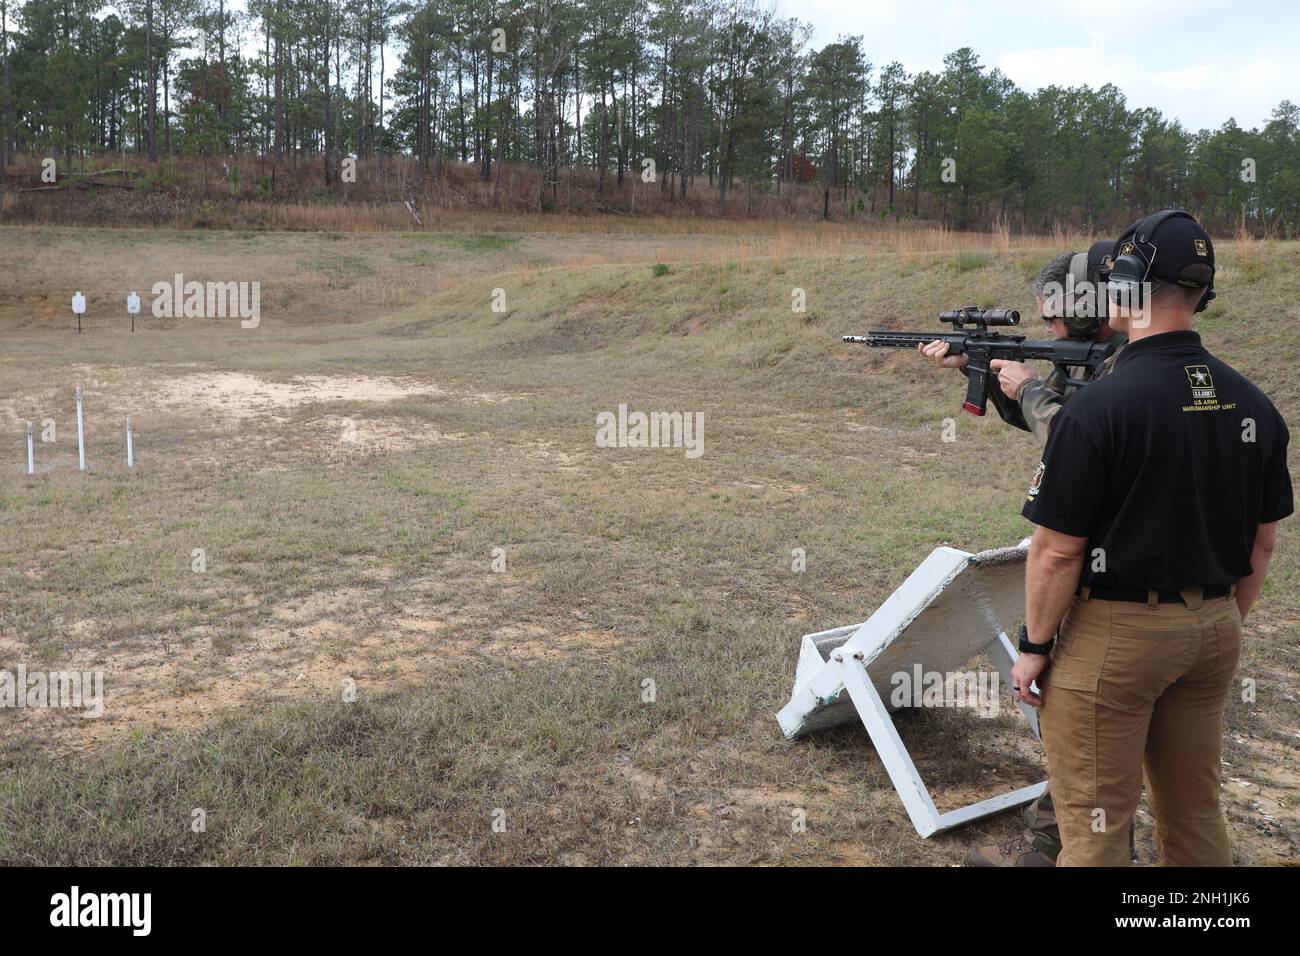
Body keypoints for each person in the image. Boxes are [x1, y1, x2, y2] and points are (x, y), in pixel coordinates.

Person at [1012, 209, 1292, 866]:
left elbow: (1056, 552)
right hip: (1215, 632)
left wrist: (1033, 648)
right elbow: (1264, 546)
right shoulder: (1254, 404)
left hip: (1116, 643)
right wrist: (1214, 616)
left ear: (1129, 285)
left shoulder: (1097, 409)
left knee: (1096, 832)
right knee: (1195, 815)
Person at [919, 246, 1126, 866]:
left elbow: (1074, 437)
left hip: (1100, 579)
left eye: (1058, 318)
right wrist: (974, 368)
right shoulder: (1112, 361)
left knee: (1081, 732)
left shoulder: (1122, 369)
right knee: (1104, 741)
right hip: (1130, 582)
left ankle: (1049, 848)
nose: (1051, 329)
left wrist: (1031, 386)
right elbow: (1046, 416)